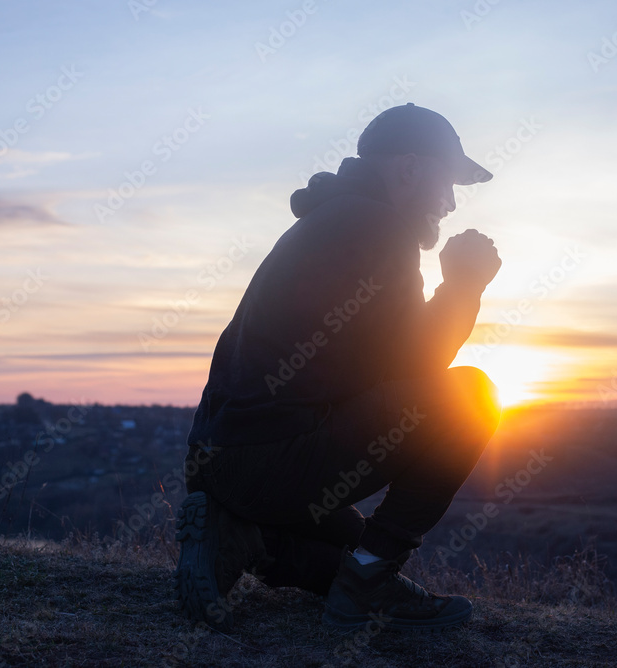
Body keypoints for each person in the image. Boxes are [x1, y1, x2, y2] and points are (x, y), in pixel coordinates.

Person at [174, 103, 503, 633]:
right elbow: (416, 367)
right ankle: (368, 579)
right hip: (269, 460)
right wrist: (464, 285)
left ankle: (243, 536)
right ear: (410, 168)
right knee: (472, 397)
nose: (451, 202)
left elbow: (373, 372)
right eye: (449, 180)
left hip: (222, 463)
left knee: (349, 549)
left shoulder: (336, 220)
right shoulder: (377, 227)